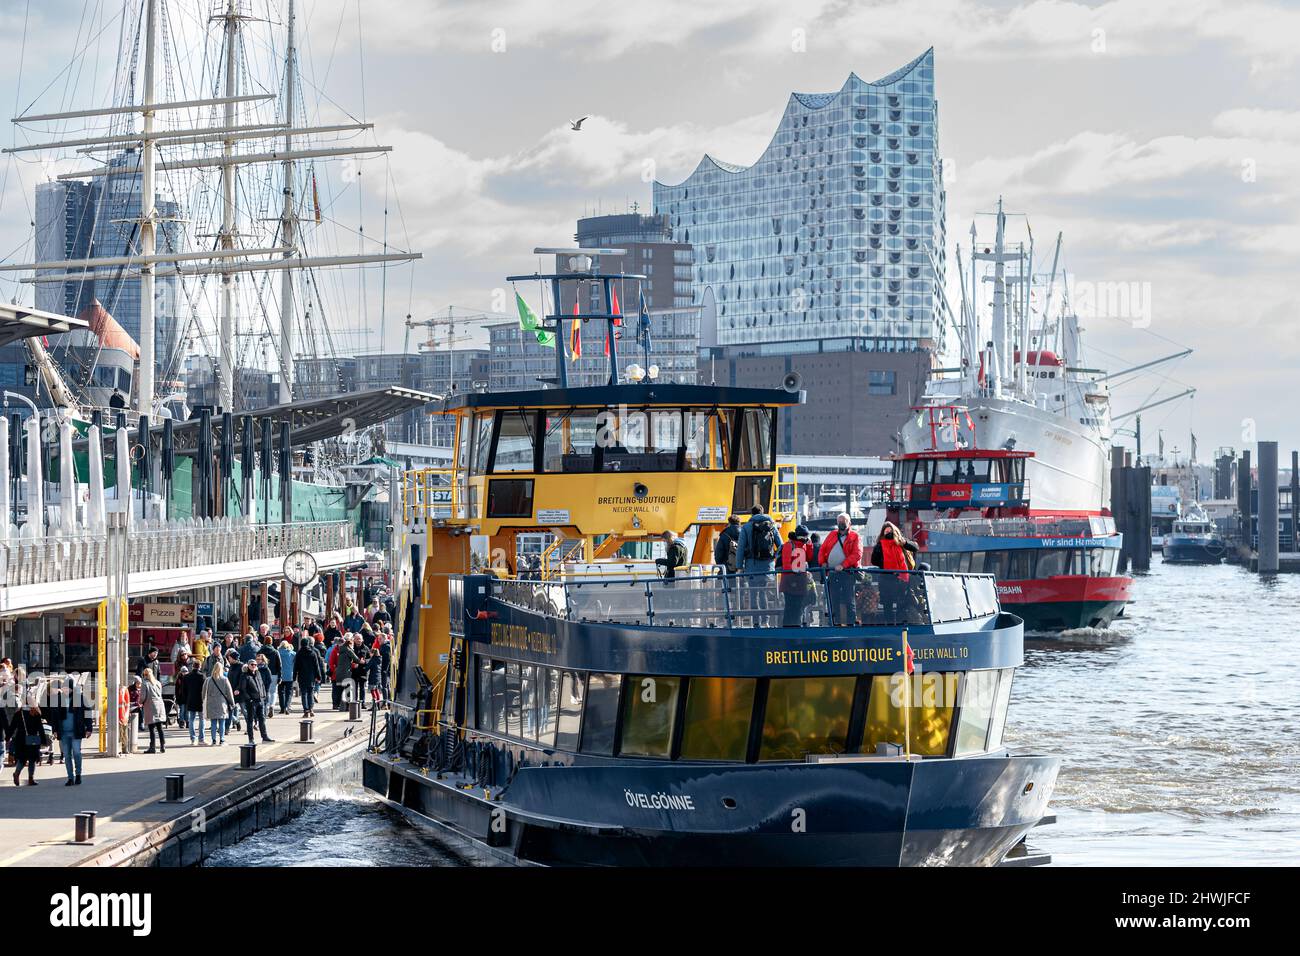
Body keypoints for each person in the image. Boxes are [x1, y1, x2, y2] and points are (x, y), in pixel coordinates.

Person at [736, 505, 781, 622]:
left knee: (753, 593)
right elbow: (781, 545)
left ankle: (755, 621)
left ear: (752, 514)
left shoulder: (746, 527)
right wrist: (774, 558)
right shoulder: (772, 526)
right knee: (763, 592)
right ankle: (765, 621)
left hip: (752, 566)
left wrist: (739, 567)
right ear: (763, 512)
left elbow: (740, 548)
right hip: (768, 566)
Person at [818, 513, 863, 626]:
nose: (841, 524)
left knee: (849, 599)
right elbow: (822, 550)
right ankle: (834, 623)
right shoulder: (832, 534)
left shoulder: (855, 536)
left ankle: (851, 624)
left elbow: (857, 554)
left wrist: (843, 565)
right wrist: (823, 562)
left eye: (844, 521)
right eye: (839, 522)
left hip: (848, 573)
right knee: (834, 599)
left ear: (849, 523)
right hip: (833, 573)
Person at [47, 676, 91, 786]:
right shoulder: (58, 699)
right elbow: (54, 716)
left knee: (76, 752)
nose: (66, 690)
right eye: (64, 688)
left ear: (72, 688)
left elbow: (88, 713)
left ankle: (78, 774)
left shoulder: (80, 698)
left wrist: (89, 728)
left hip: (76, 731)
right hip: (63, 732)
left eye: (68, 688)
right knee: (67, 755)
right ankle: (70, 777)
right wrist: (55, 730)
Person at [778, 526, 816, 627]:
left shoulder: (804, 545)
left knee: (799, 606)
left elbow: (809, 557)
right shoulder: (789, 545)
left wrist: (809, 546)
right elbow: (786, 564)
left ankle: (796, 626)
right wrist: (795, 570)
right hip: (790, 581)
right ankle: (788, 628)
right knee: (790, 606)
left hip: (800, 581)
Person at [234, 661, 273, 744]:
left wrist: (263, 695)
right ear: (248, 665)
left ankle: (264, 737)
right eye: (252, 664)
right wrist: (249, 699)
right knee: (250, 720)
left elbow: (261, 685)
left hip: (260, 700)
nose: (254, 666)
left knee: (262, 719)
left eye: (255, 664)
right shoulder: (245, 676)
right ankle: (251, 739)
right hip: (251, 702)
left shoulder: (258, 674)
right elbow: (243, 689)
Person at [10, 700, 45, 786]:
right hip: (33, 738)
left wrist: (8, 737)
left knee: (22, 759)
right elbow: (40, 728)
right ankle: (31, 779)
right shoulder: (36, 713)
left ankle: (17, 773)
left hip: (20, 739)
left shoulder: (18, 713)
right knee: (32, 759)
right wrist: (43, 740)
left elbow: (12, 726)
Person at [203, 661, 235, 746]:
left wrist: (204, 701)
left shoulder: (208, 680)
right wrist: (232, 703)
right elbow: (229, 692)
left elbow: (203, 693)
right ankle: (222, 740)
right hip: (222, 704)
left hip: (211, 703)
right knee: (222, 722)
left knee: (213, 723)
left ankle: (213, 740)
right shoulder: (225, 679)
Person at [140, 667, 167, 753]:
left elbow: (143, 697)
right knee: (160, 727)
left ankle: (152, 747)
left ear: (145, 675)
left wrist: (140, 702)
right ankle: (163, 746)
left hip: (150, 706)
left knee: (151, 728)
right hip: (160, 705)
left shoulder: (145, 684)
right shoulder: (158, 683)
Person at [295, 637, 322, 717]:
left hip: (302, 676)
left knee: (303, 693)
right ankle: (311, 709)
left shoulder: (299, 653)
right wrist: (319, 676)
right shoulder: (312, 653)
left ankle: (306, 710)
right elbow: (316, 666)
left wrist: (294, 677)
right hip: (311, 676)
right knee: (310, 693)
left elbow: (296, 666)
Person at [182, 664, 207, 744]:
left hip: (190, 700)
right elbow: (205, 689)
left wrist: (187, 698)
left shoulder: (186, 676)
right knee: (201, 719)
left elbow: (183, 690)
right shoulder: (202, 676)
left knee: (191, 719)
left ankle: (193, 739)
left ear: (193, 667)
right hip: (200, 700)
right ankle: (201, 739)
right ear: (199, 667)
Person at [276, 640, 296, 715]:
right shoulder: (292, 653)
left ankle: (282, 708)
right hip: (290, 675)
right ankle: (287, 706)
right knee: (289, 692)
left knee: (281, 692)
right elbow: (295, 664)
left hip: (280, 675)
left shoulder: (278, 653)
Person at [263, 642, 282, 715]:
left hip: (263, 673)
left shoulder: (260, 651)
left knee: (265, 691)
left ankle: (267, 707)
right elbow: (279, 665)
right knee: (273, 692)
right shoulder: (275, 652)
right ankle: (272, 705)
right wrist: (280, 676)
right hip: (274, 674)